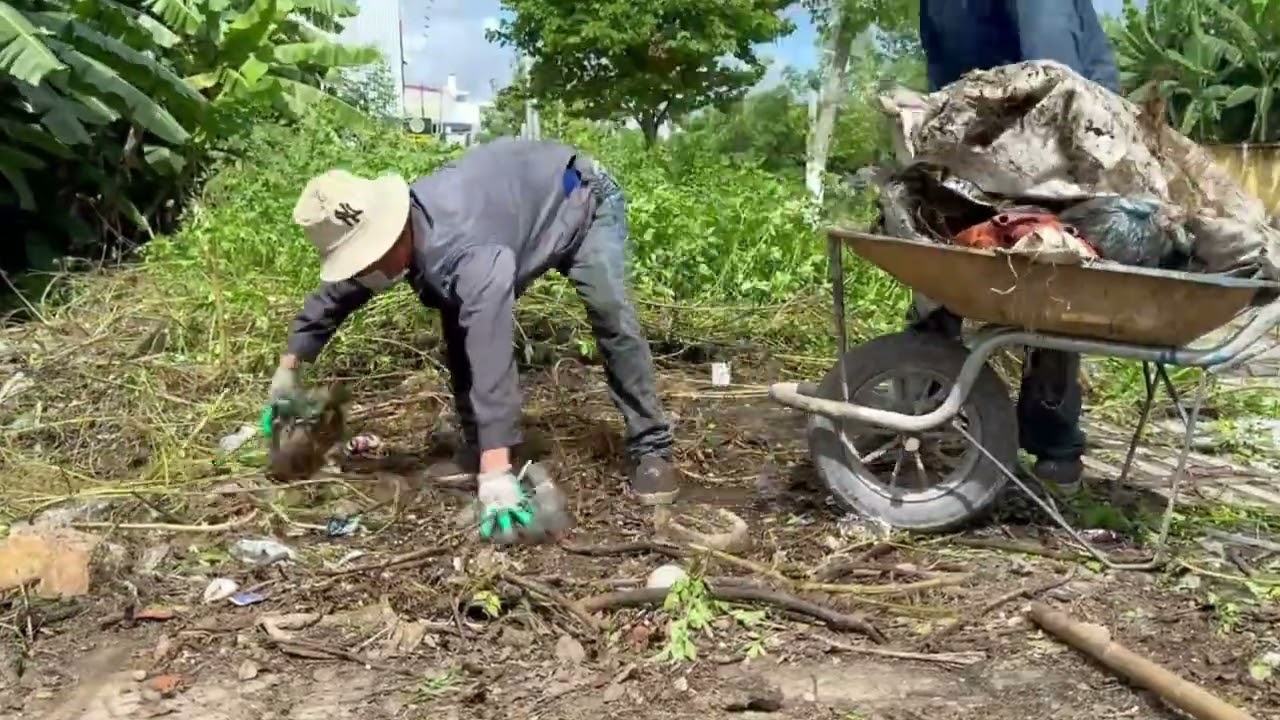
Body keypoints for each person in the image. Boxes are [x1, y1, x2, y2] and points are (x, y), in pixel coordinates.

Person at [268, 138, 680, 541]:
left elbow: (491, 350)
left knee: (610, 312)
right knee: (454, 314)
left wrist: (497, 472)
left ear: (392, 234)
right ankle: (478, 443)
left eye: (367, 260)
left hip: (579, 198)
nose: (364, 272)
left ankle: (651, 446)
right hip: (516, 210)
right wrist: (289, 369)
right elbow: (337, 295)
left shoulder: (469, 252)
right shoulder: (394, 231)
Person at [915, 0, 1121, 493]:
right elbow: (942, 77)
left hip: (1073, 136)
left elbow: (1056, 73)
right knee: (939, 252)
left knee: (1050, 276)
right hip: (986, 137)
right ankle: (925, 403)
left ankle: (1052, 441)